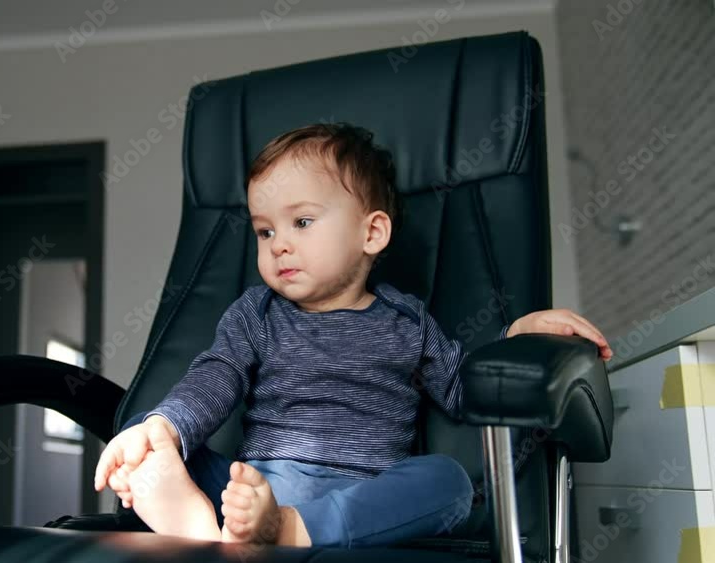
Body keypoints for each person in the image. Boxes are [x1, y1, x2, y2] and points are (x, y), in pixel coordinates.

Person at [93, 123, 612, 549]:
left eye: (301, 222)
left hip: (358, 494)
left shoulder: (406, 321)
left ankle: (287, 531)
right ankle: (199, 524)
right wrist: (166, 426)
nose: (278, 246)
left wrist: (515, 333)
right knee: (150, 430)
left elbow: (461, 388)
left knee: (449, 482)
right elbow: (215, 377)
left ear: (371, 233)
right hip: (251, 485)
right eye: (265, 231)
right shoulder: (255, 313)